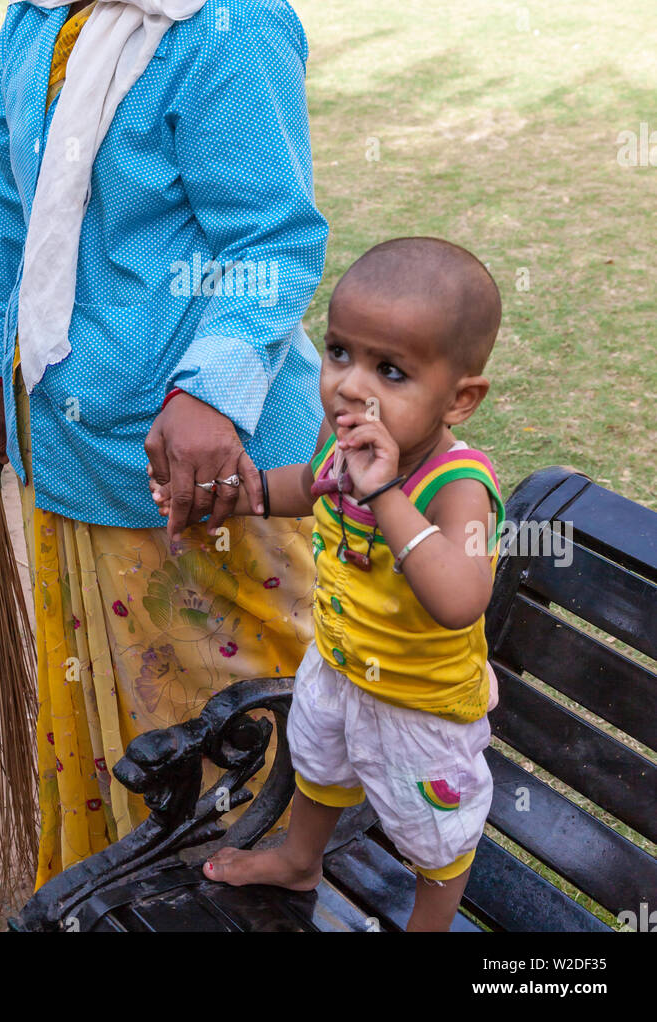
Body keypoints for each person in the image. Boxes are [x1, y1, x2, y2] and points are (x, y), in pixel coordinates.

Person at [0, 0, 328, 890]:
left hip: (208, 471)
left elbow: (271, 240)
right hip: (73, 446)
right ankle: (123, 896)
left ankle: (276, 889)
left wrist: (209, 390)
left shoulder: (225, 26)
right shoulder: (36, 18)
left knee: (243, 723)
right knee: (122, 733)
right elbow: (7, 210)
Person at [150, 237, 504, 931]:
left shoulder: (459, 487)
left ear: (460, 399)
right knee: (318, 766)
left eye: (392, 371)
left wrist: (386, 498)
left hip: (419, 707)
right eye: (340, 353)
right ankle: (300, 859)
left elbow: (461, 598)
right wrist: (244, 493)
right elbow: (311, 488)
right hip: (338, 665)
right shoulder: (341, 435)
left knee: (438, 835)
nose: (351, 385)